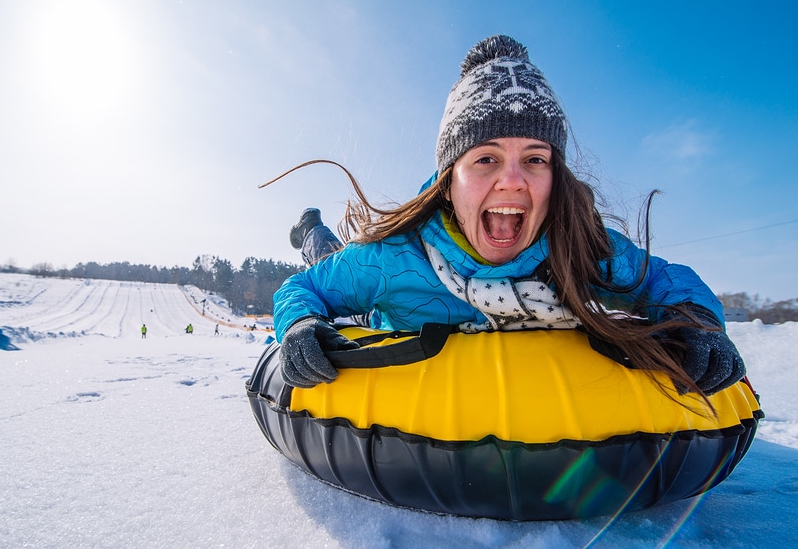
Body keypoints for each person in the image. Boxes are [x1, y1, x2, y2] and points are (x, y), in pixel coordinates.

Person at [272, 35, 746, 399]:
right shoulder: (393, 257)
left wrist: (697, 323)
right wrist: (299, 324)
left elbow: (662, 279)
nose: (513, 181)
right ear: (449, 180)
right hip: (375, 307)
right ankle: (311, 229)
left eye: (535, 159)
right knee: (329, 257)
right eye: (486, 159)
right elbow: (305, 288)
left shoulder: (575, 246)